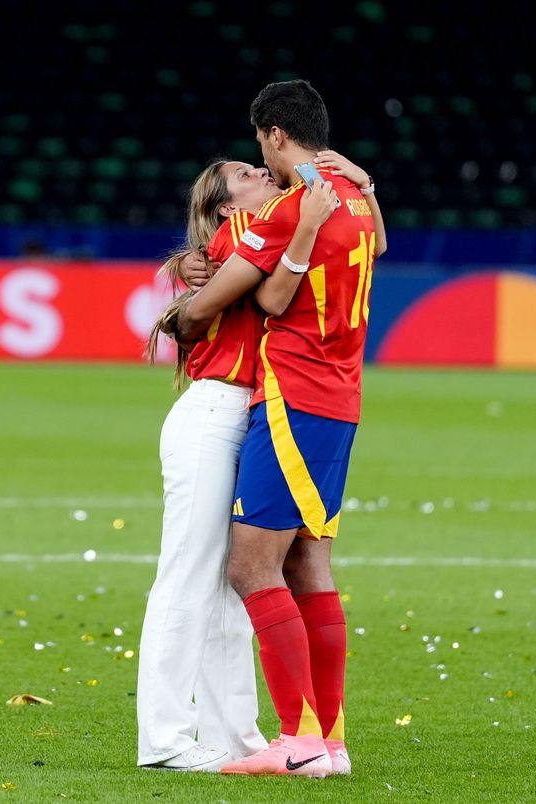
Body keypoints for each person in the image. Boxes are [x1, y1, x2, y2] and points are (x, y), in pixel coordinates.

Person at [175, 79, 386, 777]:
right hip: (342, 397)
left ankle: (295, 742)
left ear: (273, 134)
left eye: (259, 147)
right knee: (307, 562)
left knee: (251, 565)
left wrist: (186, 297)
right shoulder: (352, 196)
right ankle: (331, 740)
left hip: (294, 395)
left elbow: (256, 297)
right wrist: (363, 177)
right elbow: (379, 244)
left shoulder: (293, 209)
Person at [137, 158, 340, 772]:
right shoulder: (242, 237)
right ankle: (166, 740)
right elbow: (251, 302)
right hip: (215, 410)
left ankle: (237, 738)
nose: (262, 171)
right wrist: (188, 270)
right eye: (248, 173)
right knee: (189, 575)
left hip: (249, 412)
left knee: (235, 583)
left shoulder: (254, 235)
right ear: (229, 206)